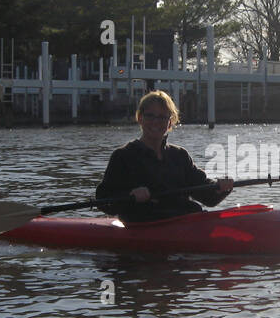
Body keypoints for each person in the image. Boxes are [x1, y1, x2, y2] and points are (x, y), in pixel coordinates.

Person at [96, 90, 233, 222]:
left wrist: (220, 187)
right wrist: (130, 195)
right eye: (150, 116)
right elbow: (104, 201)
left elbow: (207, 197)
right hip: (146, 225)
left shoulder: (180, 156)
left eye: (162, 117)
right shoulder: (123, 156)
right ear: (140, 118)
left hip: (185, 220)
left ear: (170, 122)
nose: (156, 121)